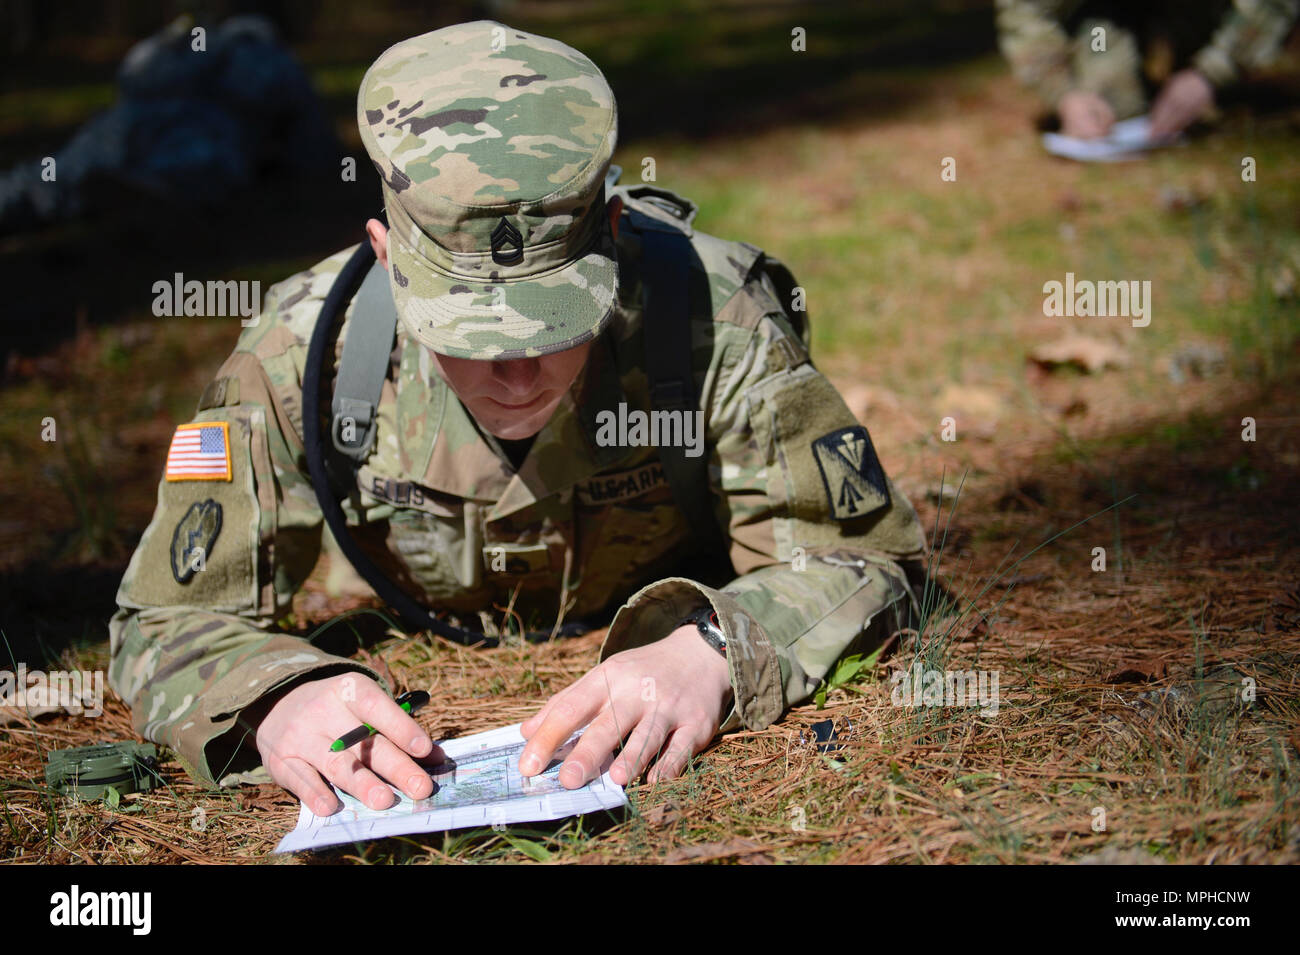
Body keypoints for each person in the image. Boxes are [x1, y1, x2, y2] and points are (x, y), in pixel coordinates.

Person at [108, 21, 928, 817]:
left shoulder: (715, 320)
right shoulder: (298, 352)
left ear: (612, 238)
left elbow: (866, 557)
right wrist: (279, 698)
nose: (513, 372)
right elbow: (166, 615)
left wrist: (713, 649)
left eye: (553, 320)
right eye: (462, 330)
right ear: (387, 259)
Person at [995, 0, 1298, 139]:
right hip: (1110, 11)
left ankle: (1200, 61)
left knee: (1221, 94)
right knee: (1113, 109)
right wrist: (1063, 93)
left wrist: (1212, 72)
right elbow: (1023, 11)